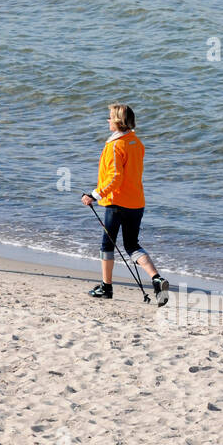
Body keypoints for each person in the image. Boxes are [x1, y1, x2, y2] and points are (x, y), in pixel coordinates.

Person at [80, 103, 168, 304]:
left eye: (110, 117)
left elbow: (115, 178)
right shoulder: (136, 142)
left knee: (106, 245)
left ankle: (106, 287)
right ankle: (157, 279)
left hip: (117, 204)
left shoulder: (115, 146)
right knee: (131, 244)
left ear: (118, 121)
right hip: (136, 202)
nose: (108, 120)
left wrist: (95, 195)